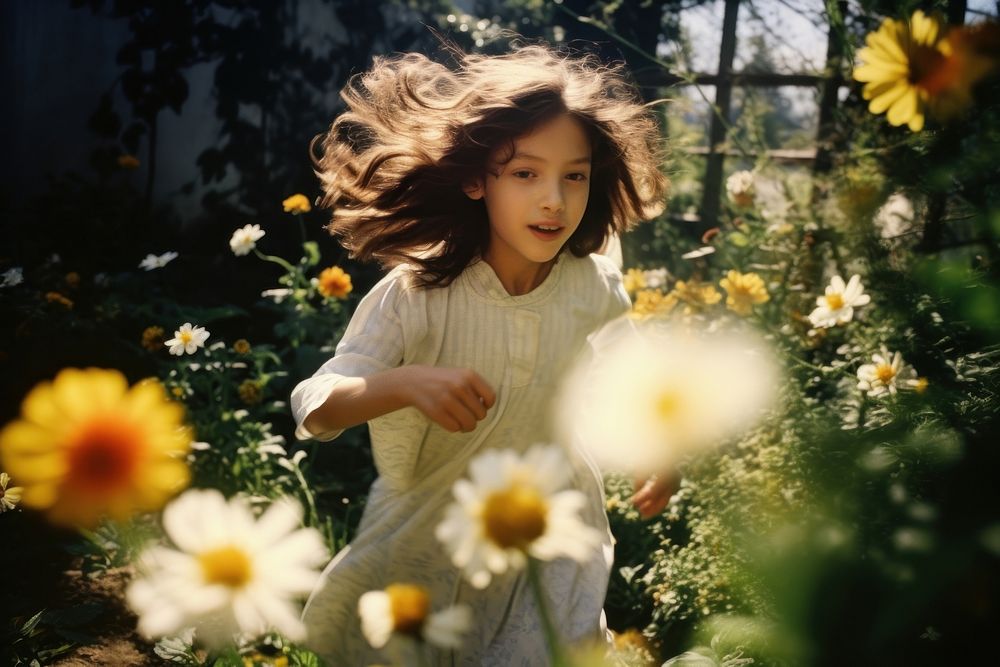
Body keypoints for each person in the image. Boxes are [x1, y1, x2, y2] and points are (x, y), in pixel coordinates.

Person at [291, 41, 668, 665]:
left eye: (573, 175)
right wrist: (405, 383)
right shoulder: (417, 293)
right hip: (432, 537)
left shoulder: (591, 286)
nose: (555, 199)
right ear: (475, 179)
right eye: (525, 173)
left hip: (550, 531)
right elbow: (317, 406)